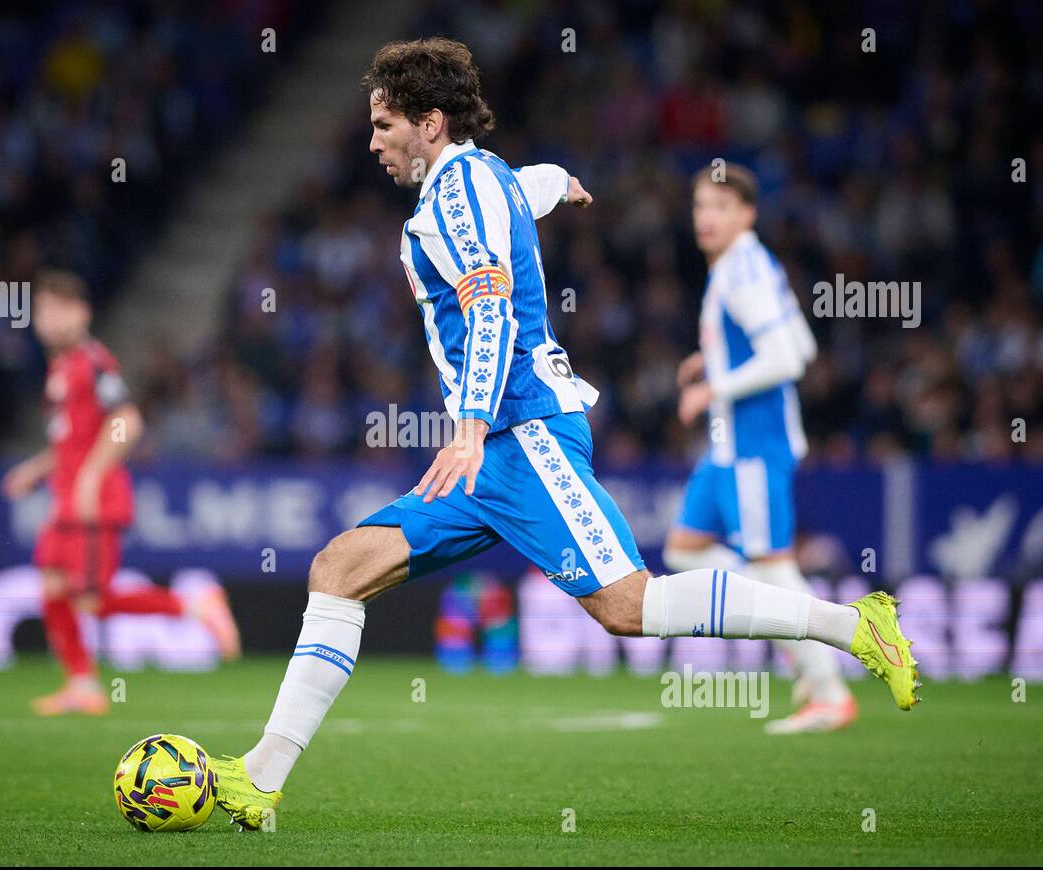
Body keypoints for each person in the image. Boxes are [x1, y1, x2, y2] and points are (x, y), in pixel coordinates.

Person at [207, 39, 918, 829]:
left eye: (384, 124)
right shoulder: (479, 178)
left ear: (430, 122)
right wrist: (560, 185)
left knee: (628, 604)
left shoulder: (455, 193)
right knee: (339, 569)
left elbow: (490, 308)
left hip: (522, 433)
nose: (371, 141)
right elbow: (523, 186)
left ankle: (855, 627)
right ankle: (261, 778)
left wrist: (471, 421)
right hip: (492, 454)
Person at [668, 162, 858, 734]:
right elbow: (799, 337)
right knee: (684, 550)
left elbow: (788, 358)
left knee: (772, 568)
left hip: (753, 444)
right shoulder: (747, 263)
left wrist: (713, 387)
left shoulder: (742, 268)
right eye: (701, 205)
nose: (707, 217)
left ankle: (827, 688)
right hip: (730, 447)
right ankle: (796, 645)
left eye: (721, 206)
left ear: (747, 214)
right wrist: (717, 360)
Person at [2, 270, 240, 715]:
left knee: (92, 599)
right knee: (53, 586)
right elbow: (74, 439)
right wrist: (37, 468)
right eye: (43, 310)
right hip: (65, 499)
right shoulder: (62, 367)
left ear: (83, 312)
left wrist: (91, 476)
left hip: (94, 500)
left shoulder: (94, 363)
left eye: (59, 308)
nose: (50, 319)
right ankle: (82, 684)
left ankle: (195, 605)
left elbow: (128, 422)